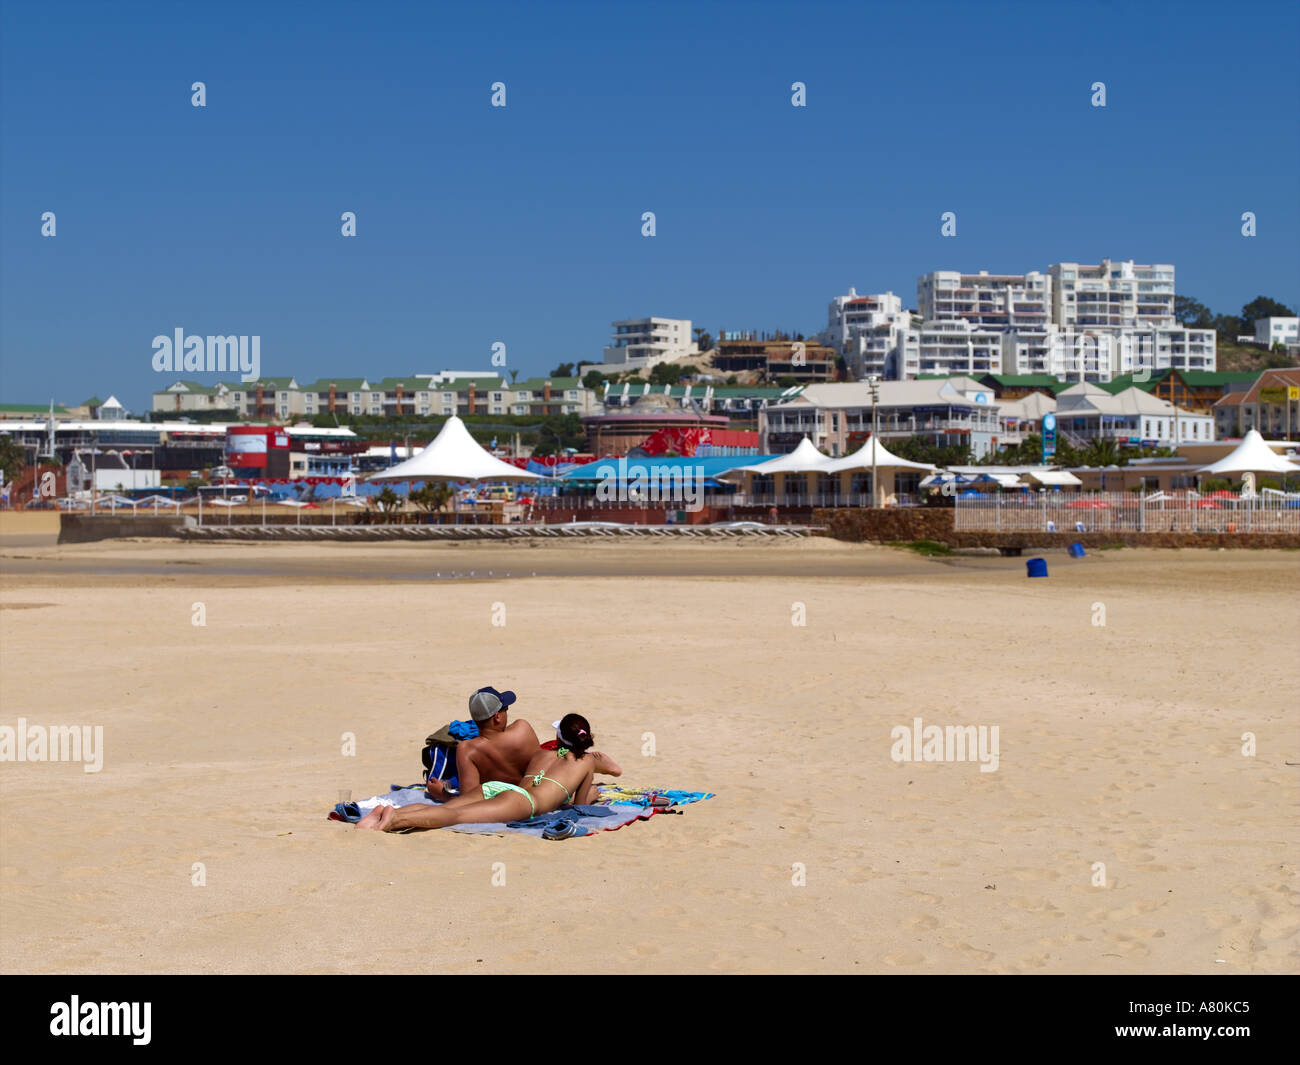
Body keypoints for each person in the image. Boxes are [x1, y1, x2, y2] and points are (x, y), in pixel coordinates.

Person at [358, 713, 621, 832]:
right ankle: (393, 821)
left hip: (504, 789)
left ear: (558, 736)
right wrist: (593, 794)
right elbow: (579, 805)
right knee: (455, 816)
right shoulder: (586, 762)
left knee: (455, 808)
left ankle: (383, 812)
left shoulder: (542, 752)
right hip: (523, 803)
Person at [424, 687, 539, 801]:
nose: (507, 713)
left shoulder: (468, 750)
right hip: (534, 797)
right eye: (505, 709)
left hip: (505, 803)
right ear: (497, 717)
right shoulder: (523, 729)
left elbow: (468, 802)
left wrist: (442, 795)